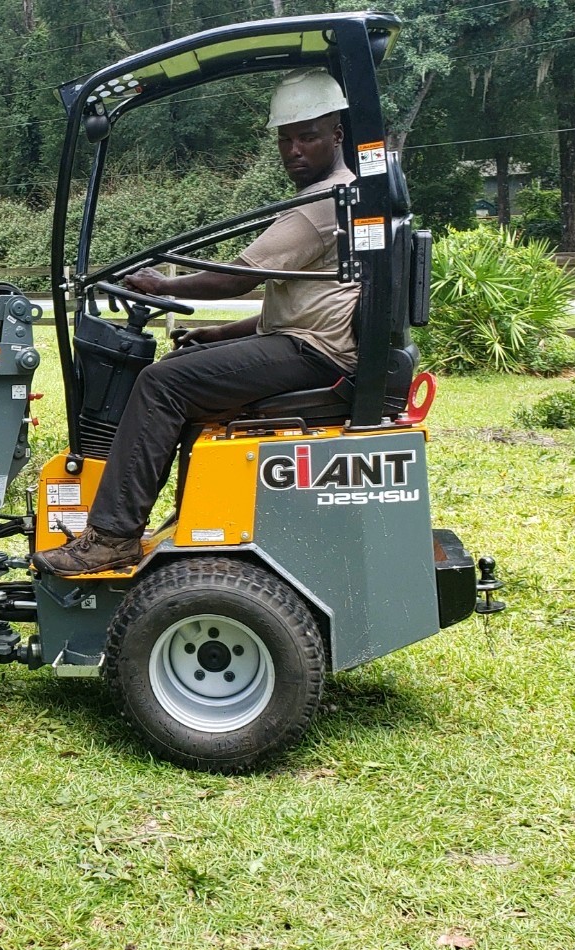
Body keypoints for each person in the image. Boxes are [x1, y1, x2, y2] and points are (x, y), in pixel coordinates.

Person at [34, 68, 360, 576]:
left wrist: (164, 285)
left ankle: (113, 535)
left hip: (313, 355)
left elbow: (237, 279)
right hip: (310, 344)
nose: (294, 150)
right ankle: (183, 516)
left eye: (308, 137)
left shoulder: (323, 203)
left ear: (336, 136)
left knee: (161, 383)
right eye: (286, 139)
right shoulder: (336, 197)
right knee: (185, 365)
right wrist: (216, 335)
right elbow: (296, 305)